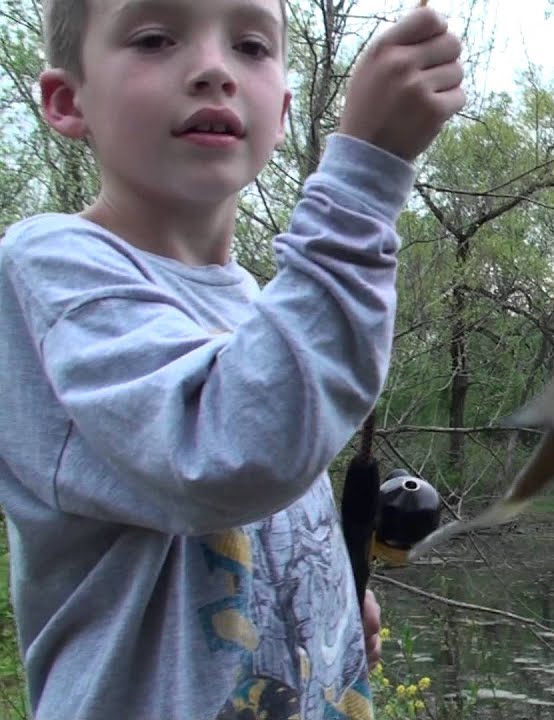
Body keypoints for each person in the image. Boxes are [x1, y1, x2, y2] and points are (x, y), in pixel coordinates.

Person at [0, 0, 464, 716]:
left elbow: (263, 498)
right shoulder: (50, 271)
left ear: (279, 114)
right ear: (68, 101)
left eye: (250, 45)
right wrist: (365, 177)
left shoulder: (261, 309)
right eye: (155, 38)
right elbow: (228, 450)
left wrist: (323, 603)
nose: (214, 69)